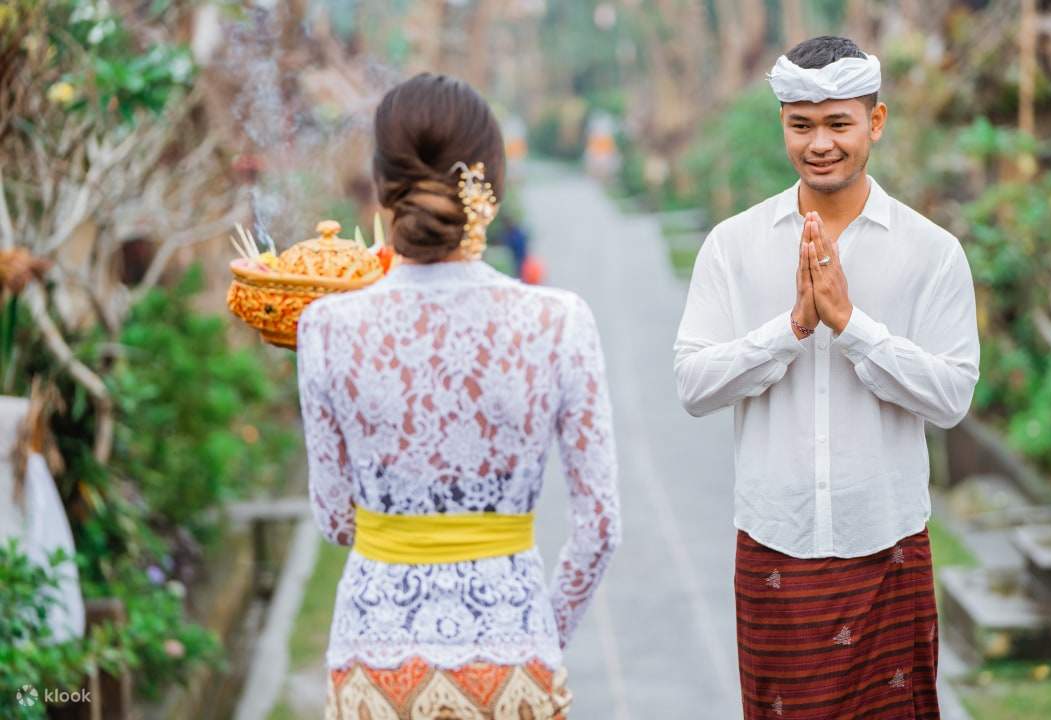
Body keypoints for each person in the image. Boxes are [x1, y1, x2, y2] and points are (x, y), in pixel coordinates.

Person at [297, 73, 620, 720]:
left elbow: (336, 521)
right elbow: (600, 529)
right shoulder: (559, 321)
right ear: (491, 185)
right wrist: (540, 635)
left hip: (374, 660)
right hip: (513, 656)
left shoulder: (325, 326)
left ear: (382, 189)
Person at [674, 36, 979, 719]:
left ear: (875, 122)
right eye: (801, 124)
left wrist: (852, 325)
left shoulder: (931, 252)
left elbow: (953, 396)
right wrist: (792, 330)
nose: (820, 144)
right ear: (782, 123)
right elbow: (693, 385)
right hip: (773, 548)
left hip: (889, 547)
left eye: (838, 123)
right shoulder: (735, 245)